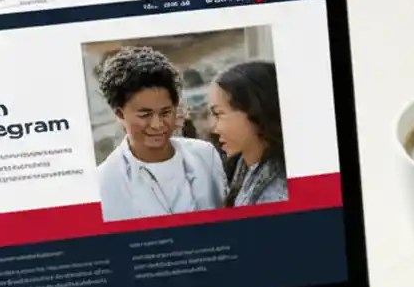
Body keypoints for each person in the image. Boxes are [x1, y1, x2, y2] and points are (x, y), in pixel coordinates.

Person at [95, 46, 227, 221]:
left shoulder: (205, 155)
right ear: (120, 114)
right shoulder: (102, 182)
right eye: (145, 115)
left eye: (165, 113)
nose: (158, 125)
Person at [208, 61, 289, 207]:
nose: (214, 128)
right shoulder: (244, 166)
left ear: (255, 111)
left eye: (219, 114)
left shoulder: (277, 194)